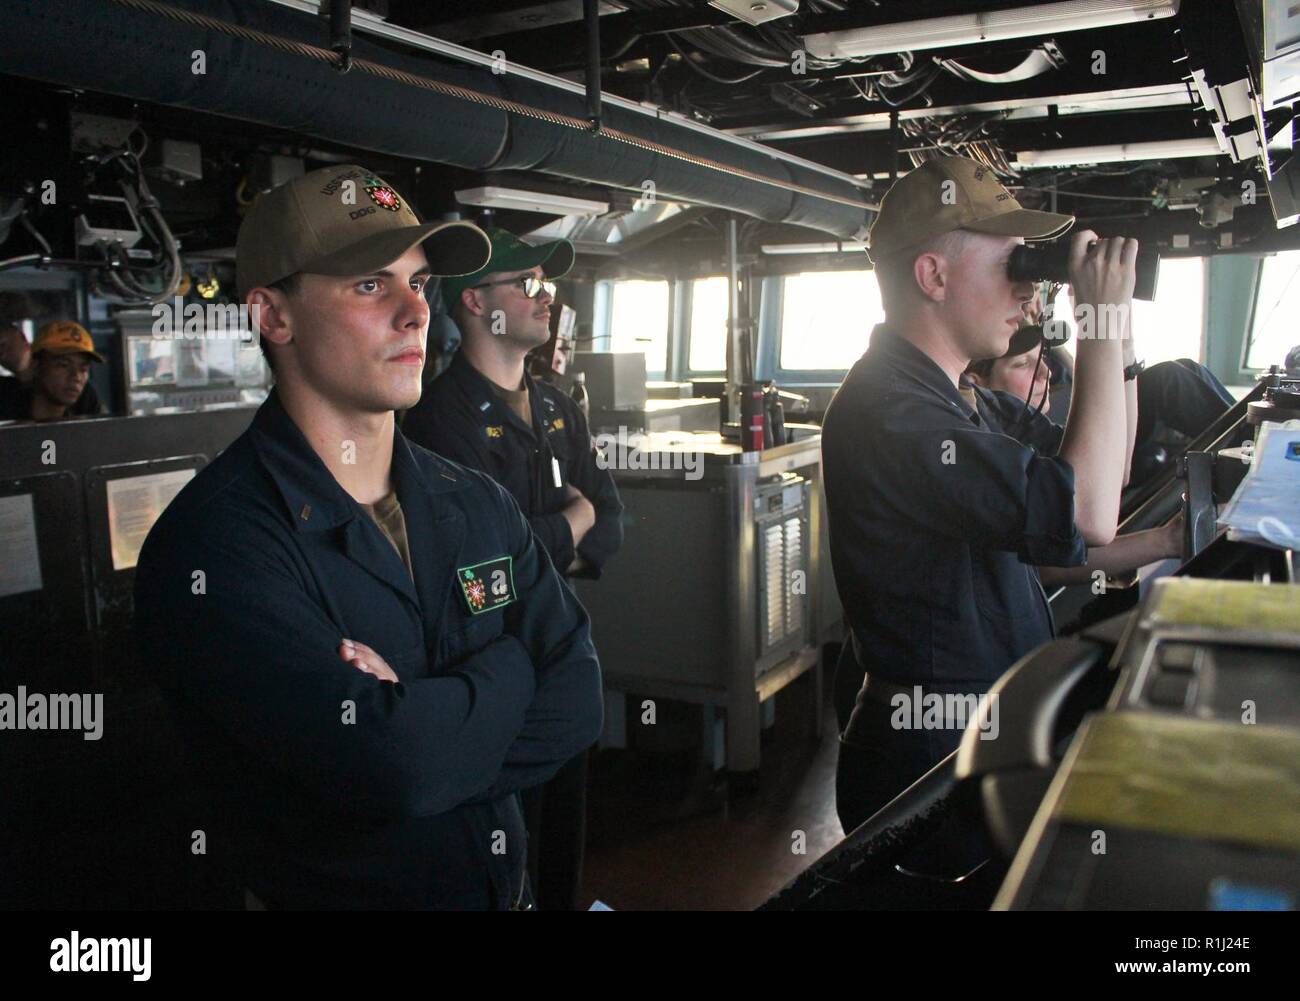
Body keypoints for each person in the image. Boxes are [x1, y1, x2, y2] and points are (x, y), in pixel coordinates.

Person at [133, 164, 603, 910]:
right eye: (368, 285)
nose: (415, 311)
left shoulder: (474, 502)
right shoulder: (216, 548)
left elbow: (579, 699)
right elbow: (399, 768)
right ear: (273, 316)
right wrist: (512, 667)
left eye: (417, 283)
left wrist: (431, 720)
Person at [822, 155, 1138, 871]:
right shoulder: (894, 412)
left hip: (971, 735)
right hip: (925, 754)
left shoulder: (960, 397)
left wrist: (1116, 341)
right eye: (1013, 264)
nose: (1028, 290)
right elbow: (1090, 512)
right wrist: (1101, 318)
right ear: (932, 276)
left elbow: (1102, 480)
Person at [403, 226, 624, 910]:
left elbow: (612, 525)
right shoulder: (438, 421)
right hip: (491, 683)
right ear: (474, 301)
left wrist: (560, 534)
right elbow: (478, 573)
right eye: (528, 284)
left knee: (564, 853)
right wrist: (570, 525)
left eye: (549, 285)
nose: (546, 297)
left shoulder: (559, 406)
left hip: (563, 662)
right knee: (503, 856)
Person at [0, 319, 105, 421]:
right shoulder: (6, 401)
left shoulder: (87, 402)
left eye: (83, 369)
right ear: (35, 366)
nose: (76, 376)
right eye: (63, 365)